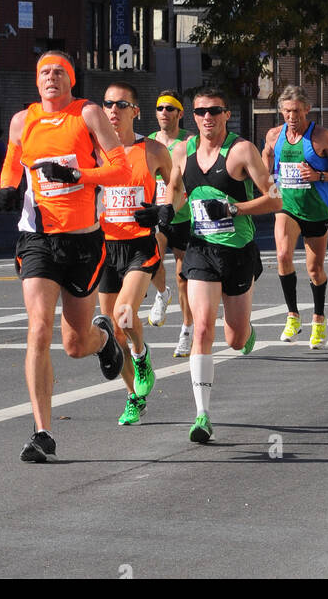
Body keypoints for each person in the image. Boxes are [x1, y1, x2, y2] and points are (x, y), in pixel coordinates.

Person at [0, 54, 130, 463]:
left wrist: (79, 177)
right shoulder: (24, 120)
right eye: (44, 73)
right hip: (37, 238)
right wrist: (6, 187)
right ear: (36, 82)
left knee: (75, 344)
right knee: (38, 328)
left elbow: (120, 169)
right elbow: (12, 164)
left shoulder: (87, 114)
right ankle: (41, 431)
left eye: (58, 72)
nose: (51, 78)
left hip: (83, 242)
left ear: (70, 79)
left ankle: (104, 339)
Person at [170, 88, 280, 444]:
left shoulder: (241, 150)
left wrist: (234, 209)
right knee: (202, 327)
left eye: (214, 111)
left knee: (234, 338)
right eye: (200, 111)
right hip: (200, 249)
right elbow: (174, 193)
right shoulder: (182, 151)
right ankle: (202, 414)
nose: (207, 117)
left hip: (237, 251)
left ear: (226, 114)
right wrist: (159, 214)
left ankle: (246, 332)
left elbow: (274, 199)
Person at [96, 83, 174, 426]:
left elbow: (177, 190)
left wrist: (161, 213)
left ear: (135, 111)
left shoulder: (154, 150)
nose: (113, 110)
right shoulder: (94, 151)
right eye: (107, 104)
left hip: (139, 245)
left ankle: (142, 357)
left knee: (125, 313)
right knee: (115, 330)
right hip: (103, 247)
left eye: (121, 104)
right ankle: (133, 398)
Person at [262, 86, 328, 350]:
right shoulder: (274, 135)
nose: (292, 116)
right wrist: (271, 189)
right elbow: (265, 155)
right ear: (281, 111)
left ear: (307, 109)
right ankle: (292, 316)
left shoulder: (321, 137)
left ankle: (319, 319)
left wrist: (319, 176)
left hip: (316, 209)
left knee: (314, 269)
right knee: (282, 256)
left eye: (297, 111)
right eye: (287, 111)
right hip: (287, 207)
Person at [147, 92, 194, 356]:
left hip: (185, 215)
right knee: (151, 258)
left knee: (183, 278)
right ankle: (162, 294)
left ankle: (186, 330)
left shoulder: (189, 142)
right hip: (159, 212)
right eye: (159, 107)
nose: (164, 112)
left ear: (179, 113)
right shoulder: (150, 143)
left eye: (169, 108)